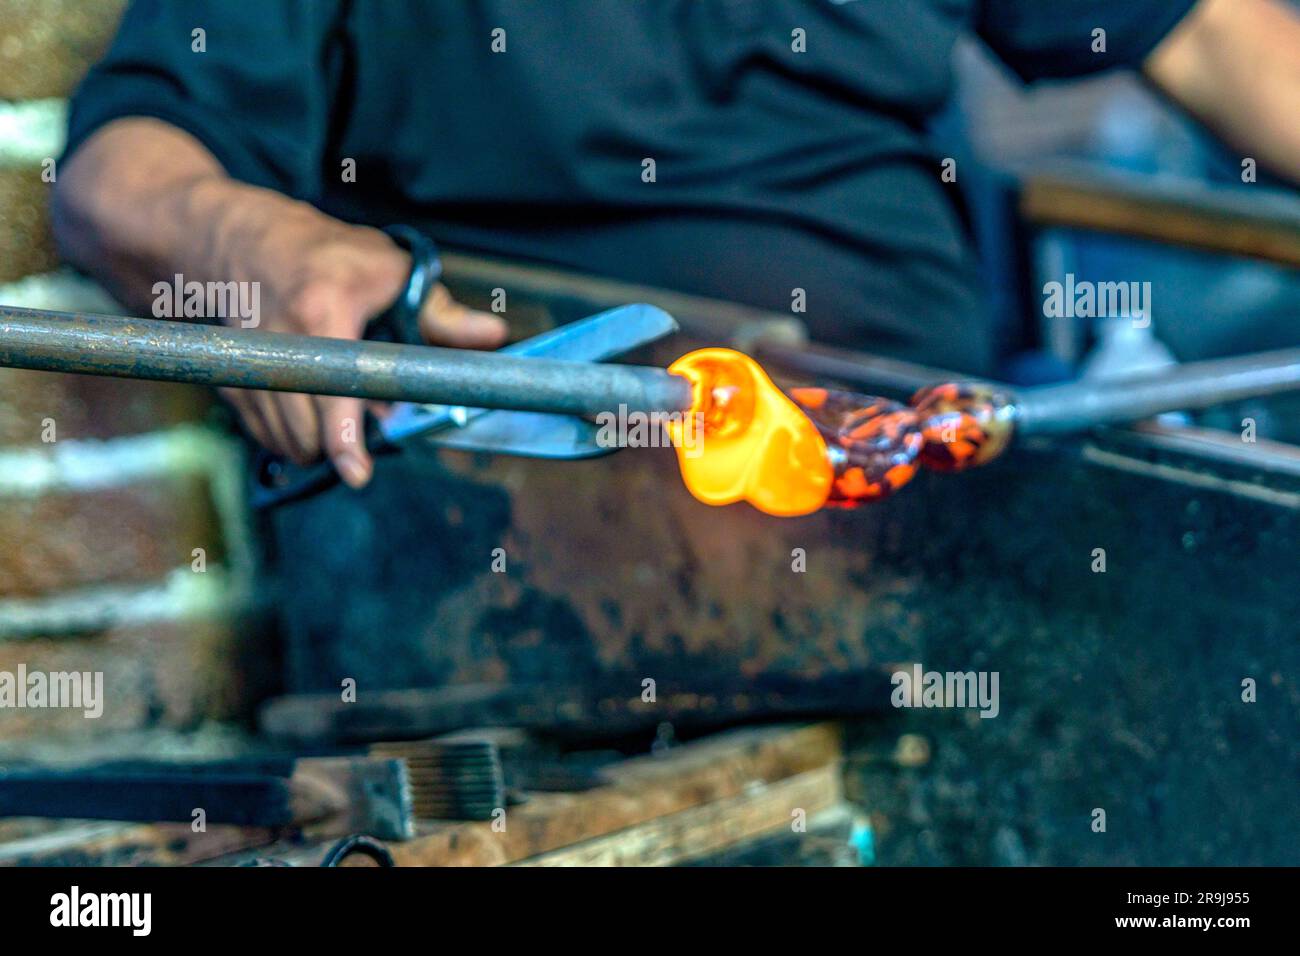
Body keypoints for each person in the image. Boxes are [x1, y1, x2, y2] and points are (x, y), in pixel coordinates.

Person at [53, 0, 1300, 489]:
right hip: (550, 498)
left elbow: (1209, 38)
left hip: (926, 455)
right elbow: (116, 170)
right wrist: (243, 242)